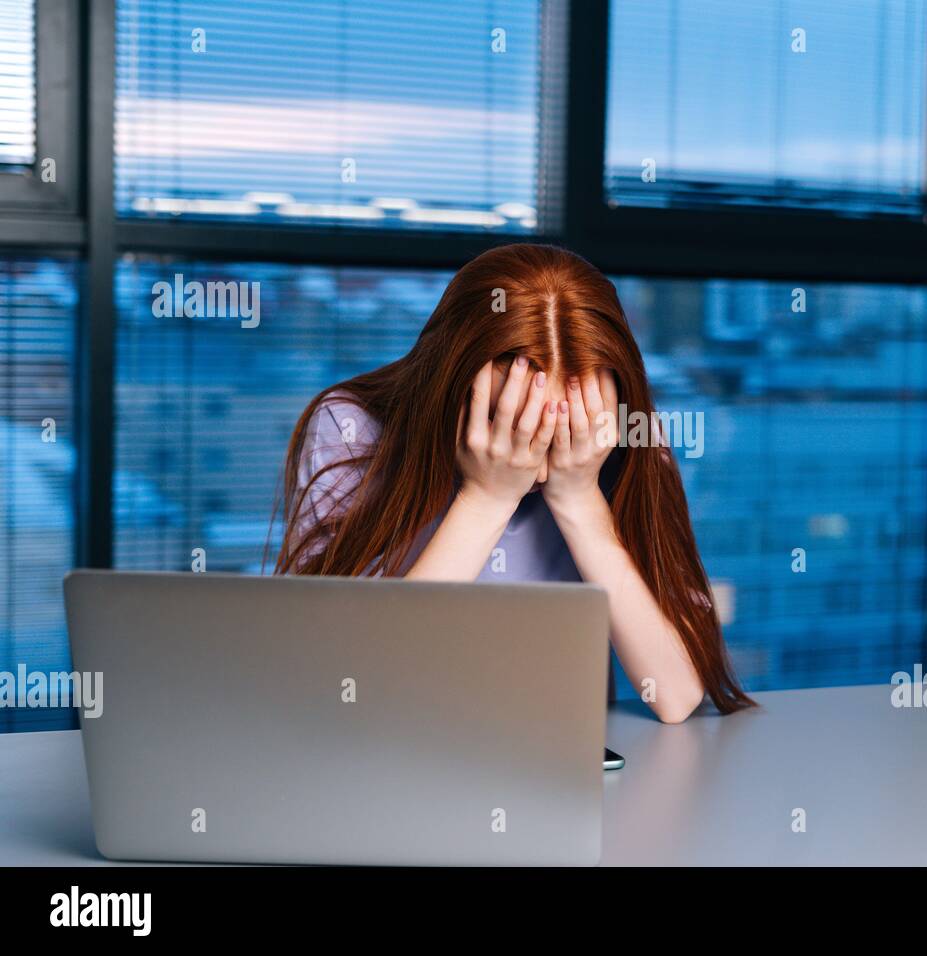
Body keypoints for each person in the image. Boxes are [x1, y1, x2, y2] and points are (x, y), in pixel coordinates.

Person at [275, 243, 753, 722]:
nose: (535, 458)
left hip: (555, 756)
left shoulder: (621, 442)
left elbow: (676, 695)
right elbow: (345, 688)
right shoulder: (349, 427)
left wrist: (581, 501)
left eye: (565, 430)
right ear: (452, 383)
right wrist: (485, 498)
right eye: (511, 421)